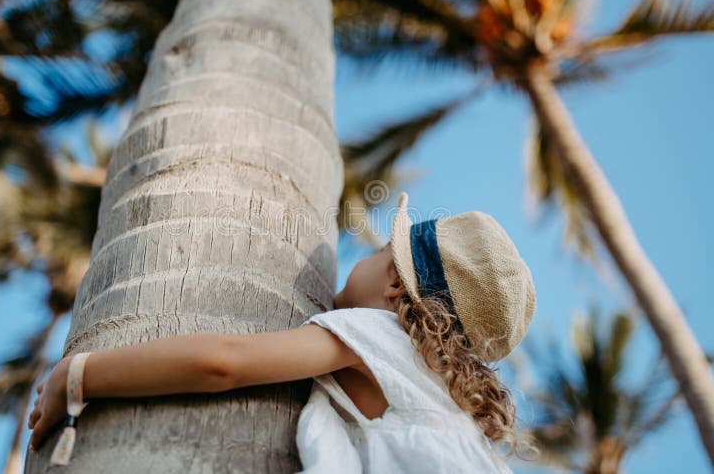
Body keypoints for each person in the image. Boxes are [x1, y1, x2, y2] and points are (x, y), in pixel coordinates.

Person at [27, 192, 538, 472]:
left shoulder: (380, 334)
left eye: (379, 251)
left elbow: (224, 362)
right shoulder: (447, 408)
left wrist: (80, 375)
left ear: (393, 288)